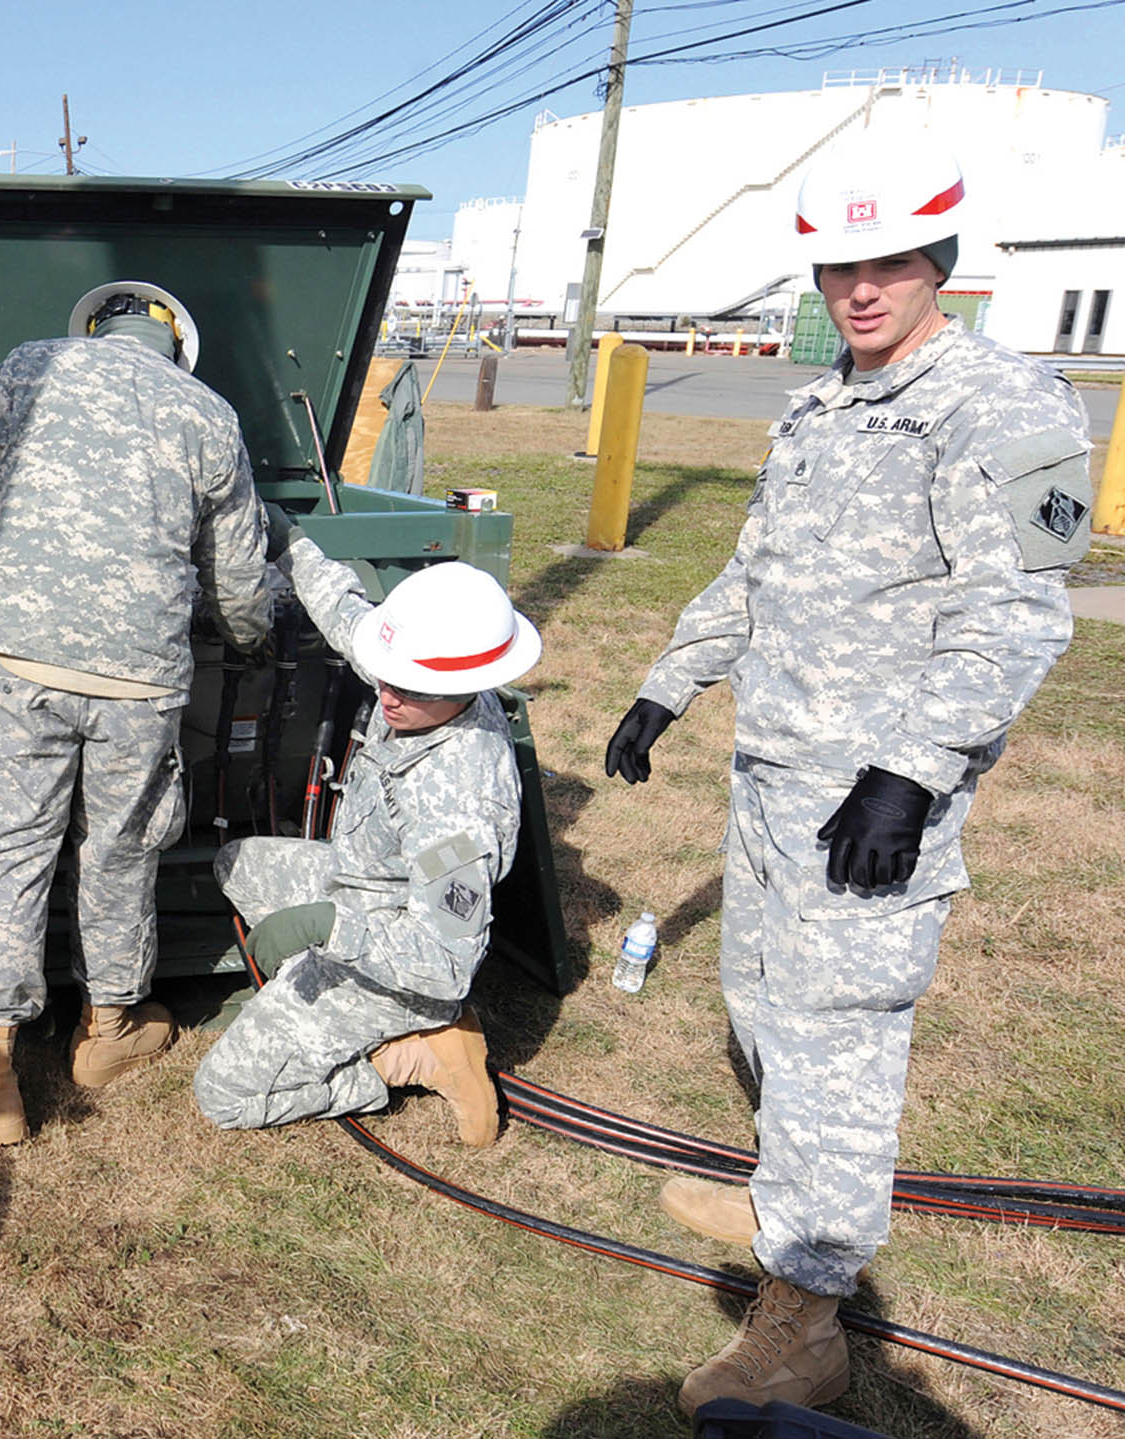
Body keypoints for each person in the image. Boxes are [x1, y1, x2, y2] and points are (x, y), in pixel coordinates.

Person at [603, 135, 1096, 1416]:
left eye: (890, 265)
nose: (862, 289)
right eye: (839, 269)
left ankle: (807, 1312)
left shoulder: (1014, 409)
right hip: (773, 766)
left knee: (840, 1037)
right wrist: (673, 679)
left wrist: (912, 772)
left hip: (870, 797)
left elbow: (1024, 610)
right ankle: (790, 1207)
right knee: (761, 1001)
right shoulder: (824, 400)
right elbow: (757, 565)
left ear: (940, 260)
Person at [0, 280, 278, 1145]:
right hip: (142, 681)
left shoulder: (29, 368)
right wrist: (251, 638)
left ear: (94, 326)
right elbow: (239, 580)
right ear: (175, 347)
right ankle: (108, 1032)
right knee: (121, 852)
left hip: (20, 663)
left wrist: (5, 500)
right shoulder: (210, 414)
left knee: (11, 853)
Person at [191, 532, 538, 1148]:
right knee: (237, 863)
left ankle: (410, 1055)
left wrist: (329, 928)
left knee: (222, 1094)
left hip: (406, 967)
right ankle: (309, 996)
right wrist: (287, 541)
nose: (388, 696)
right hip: (362, 883)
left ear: (467, 681)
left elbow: (446, 961)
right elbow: (345, 612)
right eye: (386, 677)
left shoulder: (455, 806)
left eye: (408, 688)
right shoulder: (420, 675)